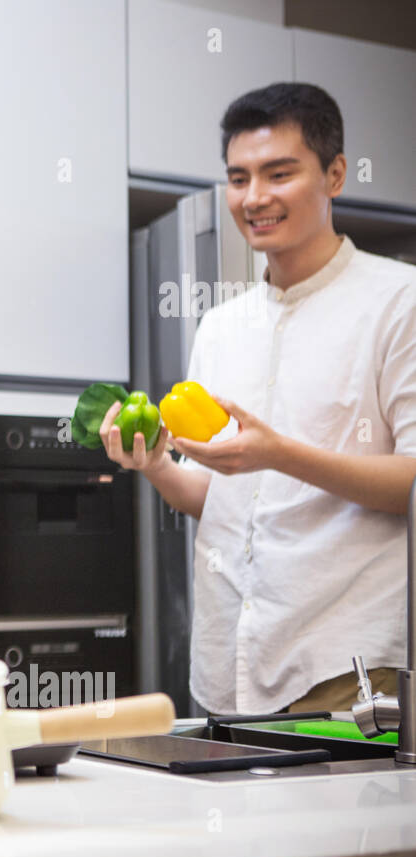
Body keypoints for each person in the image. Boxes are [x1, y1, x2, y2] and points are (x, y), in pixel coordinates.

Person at [102, 82, 416, 716]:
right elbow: (217, 495)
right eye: (238, 178)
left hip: (343, 671)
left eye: (279, 174)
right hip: (226, 667)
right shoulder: (220, 325)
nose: (255, 198)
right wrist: (157, 463)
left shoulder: (398, 300)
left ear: (334, 175)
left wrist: (279, 454)